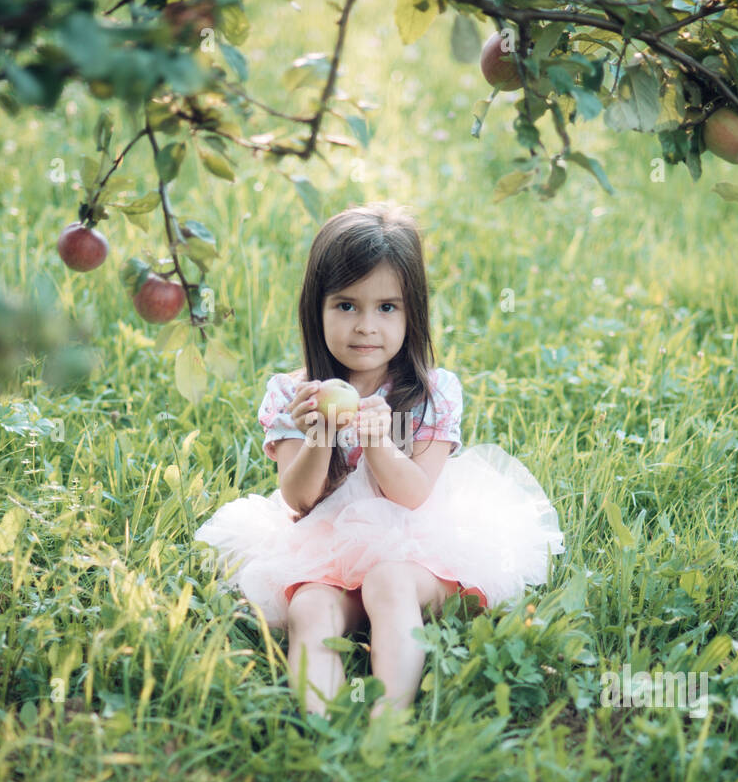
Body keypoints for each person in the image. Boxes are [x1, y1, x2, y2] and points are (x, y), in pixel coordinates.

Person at [194, 202, 564, 720]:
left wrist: (378, 441)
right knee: (310, 606)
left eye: (386, 307)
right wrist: (319, 432)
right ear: (315, 309)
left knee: (387, 582)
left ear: (412, 313)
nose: (366, 326)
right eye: (346, 305)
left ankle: (386, 722)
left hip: (419, 546)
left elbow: (413, 495)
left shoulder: (431, 392)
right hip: (325, 547)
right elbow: (298, 500)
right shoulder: (291, 394)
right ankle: (323, 729)